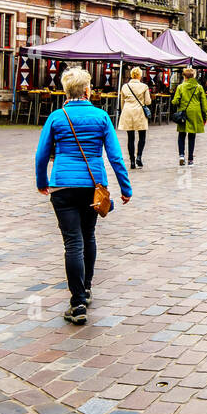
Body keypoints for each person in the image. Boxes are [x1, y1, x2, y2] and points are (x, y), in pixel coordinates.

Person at [35, 66, 132, 326]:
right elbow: (115, 156)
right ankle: (86, 289)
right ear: (88, 90)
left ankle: (77, 303)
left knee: (72, 243)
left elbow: (42, 155)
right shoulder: (101, 117)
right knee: (88, 236)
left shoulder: (56, 117)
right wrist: (125, 188)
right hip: (92, 185)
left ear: (66, 91)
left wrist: (42, 182)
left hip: (63, 186)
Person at [172, 66, 207, 167]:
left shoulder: (180, 87)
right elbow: (204, 105)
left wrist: (177, 101)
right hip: (195, 113)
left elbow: (175, 101)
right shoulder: (199, 87)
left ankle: (181, 156)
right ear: (193, 76)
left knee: (181, 135)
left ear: (184, 76)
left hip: (183, 113)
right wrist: (205, 116)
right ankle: (191, 160)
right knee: (192, 136)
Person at [118, 67, 152, 169]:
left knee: (130, 138)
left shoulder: (125, 86)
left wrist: (124, 110)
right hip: (139, 112)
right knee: (142, 136)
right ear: (139, 75)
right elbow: (147, 102)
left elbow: (122, 102)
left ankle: (132, 160)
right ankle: (139, 157)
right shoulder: (144, 86)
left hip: (128, 111)